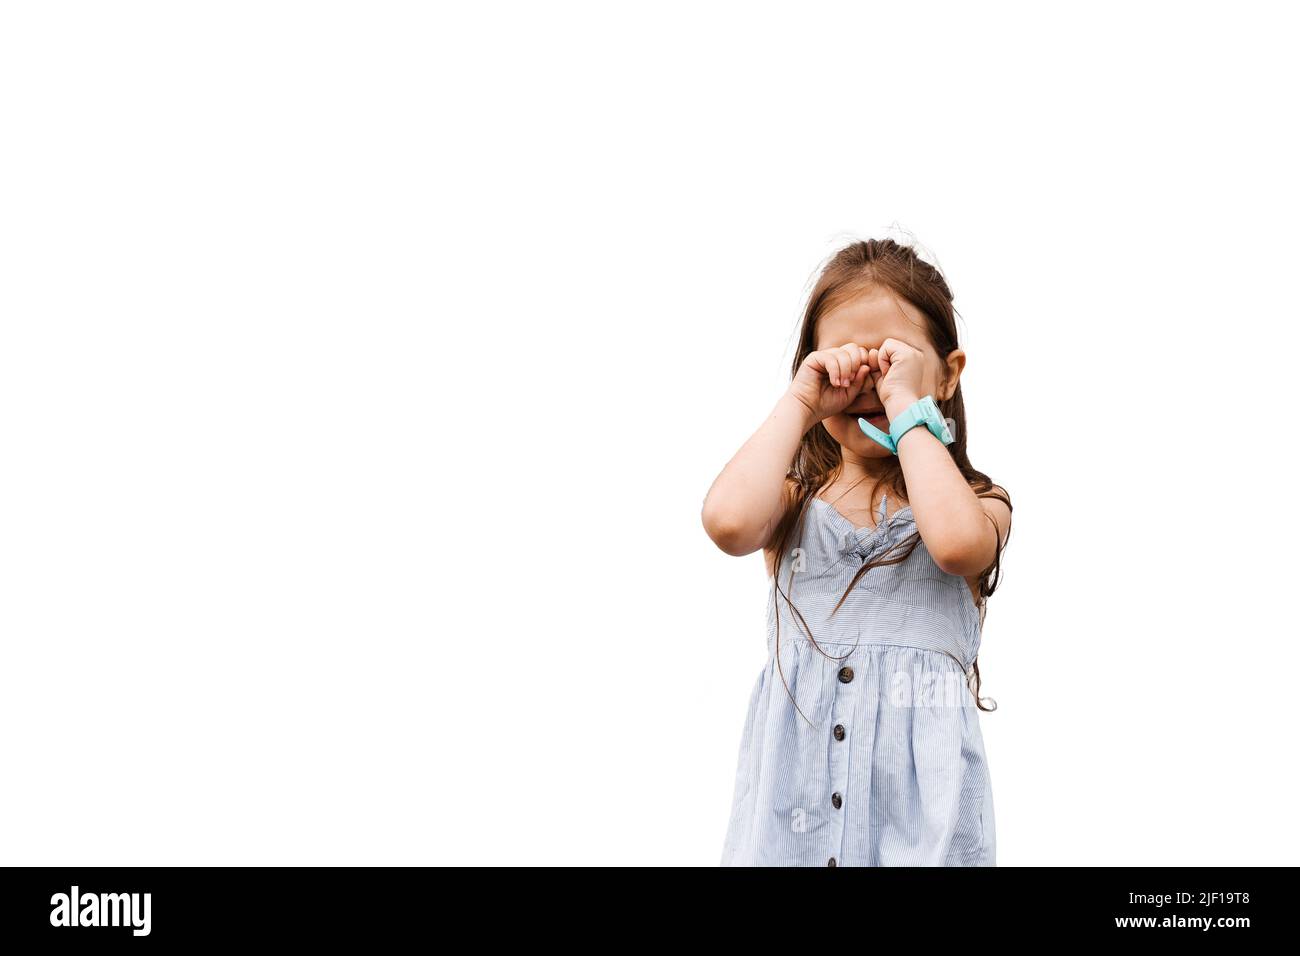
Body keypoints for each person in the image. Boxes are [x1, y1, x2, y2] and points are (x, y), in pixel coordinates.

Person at [701, 238, 1013, 866]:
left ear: (949, 373)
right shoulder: (792, 502)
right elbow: (728, 523)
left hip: (917, 830)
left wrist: (907, 407)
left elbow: (955, 547)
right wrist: (802, 401)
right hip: (795, 823)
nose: (869, 378)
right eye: (847, 361)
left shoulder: (979, 503)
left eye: (892, 360)